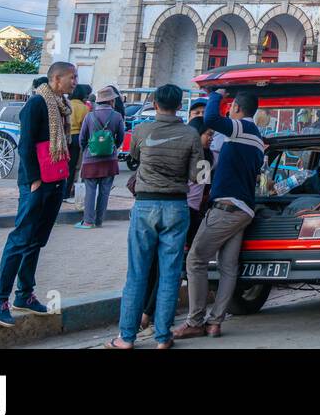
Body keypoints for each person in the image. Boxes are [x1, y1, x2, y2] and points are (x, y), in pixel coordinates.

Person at [0, 61, 77, 327]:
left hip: (55, 181)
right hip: (37, 183)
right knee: (21, 238)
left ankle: (24, 295)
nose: (75, 81)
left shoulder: (61, 106)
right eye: (72, 77)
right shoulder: (37, 104)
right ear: (56, 79)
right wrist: (34, 179)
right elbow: (25, 146)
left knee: (36, 240)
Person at [108, 84, 202, 349]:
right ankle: (163, 337)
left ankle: (126, 337)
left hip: (145, 206)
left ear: (156, 104)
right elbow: (197, 175)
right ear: (180, 105)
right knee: (170, 273)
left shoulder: (141, 130)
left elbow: (135, 158)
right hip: (176, 207)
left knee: (137, 273)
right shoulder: (190, 135)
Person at [175, 88, 265, 340]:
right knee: (228, 267)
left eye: (230, 106)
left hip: (226, 207)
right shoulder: (258, 138)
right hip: (245, 209)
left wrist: (215, 94)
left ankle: (195, 321)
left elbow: (211, 119)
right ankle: (215, 323)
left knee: (195, 259)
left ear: (236, 107)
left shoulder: (240, 127)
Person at [76, 86, 126, 229]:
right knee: (105, 192)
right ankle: (99, 221)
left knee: (90, 190)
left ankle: (88, 221)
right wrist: (111, 149)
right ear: (111, 101)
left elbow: (82, 138)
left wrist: (88, 150)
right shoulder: (117, 116)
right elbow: (120, 138)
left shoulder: (89, 116)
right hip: (109, 161)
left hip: (90, 160)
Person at [65, 84, 92, 202]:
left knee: (62, 164)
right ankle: (67, 192)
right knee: (73, 167)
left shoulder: (66, 104)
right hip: (77, 138)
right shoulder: (84, 108)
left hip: (64, 136)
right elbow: (86, 127)